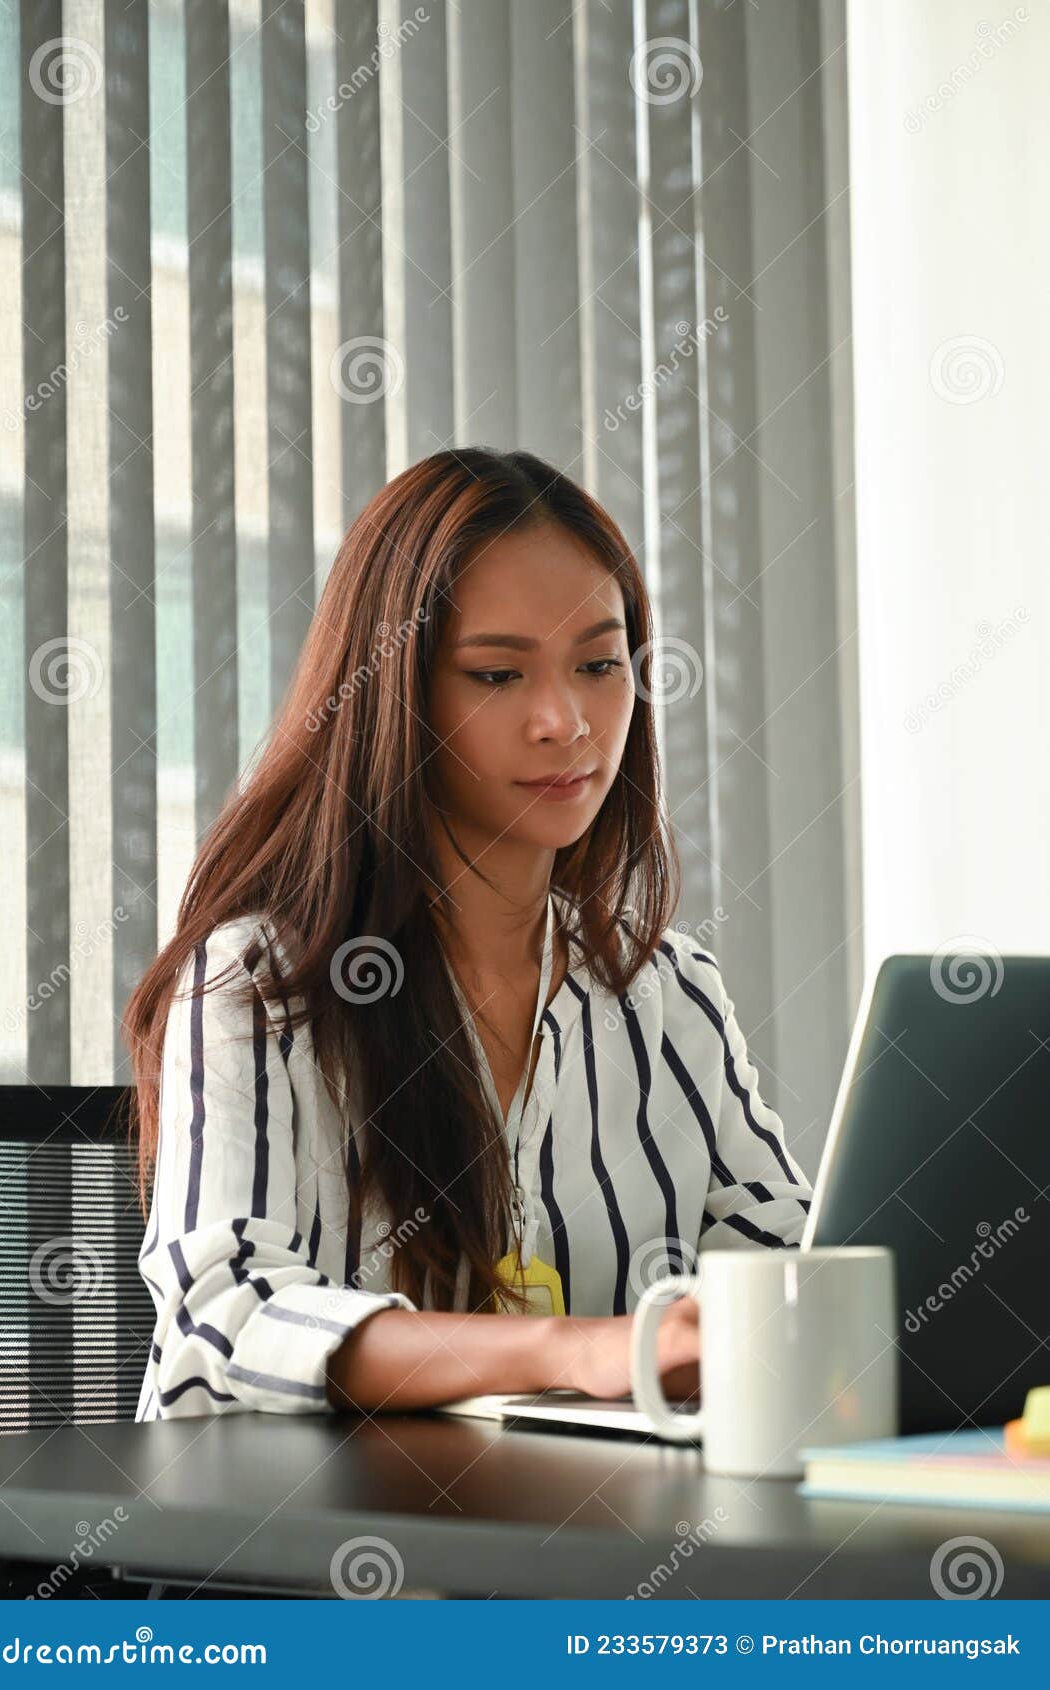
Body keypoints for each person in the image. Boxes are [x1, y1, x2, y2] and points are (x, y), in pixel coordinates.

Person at [123, 446, 813, 1422]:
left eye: (598, 664)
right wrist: (576, 1349)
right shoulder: (258, 983)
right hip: (293, 1518)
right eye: (496, 673)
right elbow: (224, 1315)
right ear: (392, 694)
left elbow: (788, 1262)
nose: (564, 720)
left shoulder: (668, 992)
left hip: (578, 1513)